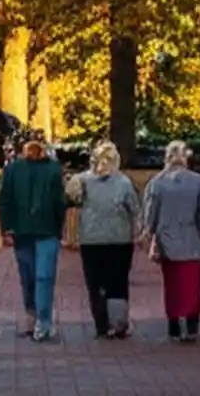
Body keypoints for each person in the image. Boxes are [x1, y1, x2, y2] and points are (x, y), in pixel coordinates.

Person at [66, 141, 139, 339]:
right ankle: (119, 323)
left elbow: (71, 199)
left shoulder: (82, 181)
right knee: (118, 282)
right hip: (120, 239)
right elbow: (134, 209)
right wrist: (138, 232)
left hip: (91, 239)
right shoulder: (124, 182)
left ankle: (101, 324)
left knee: (95, 283)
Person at [0, 141, 67, 342]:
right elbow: (59, 202)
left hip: (24, 231)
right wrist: (58, 229)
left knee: (31, 276)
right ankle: (40, 321)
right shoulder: (53, 169)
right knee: (42, 277)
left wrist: (7, 229)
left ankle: (38, 320)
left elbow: (5, 200)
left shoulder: (13, 169)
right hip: (44, 230)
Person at [145, 140, 200, 343]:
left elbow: (151, 215)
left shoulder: (157, 182)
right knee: (192, 285)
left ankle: (173, 324)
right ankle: (191, 324)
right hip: (193, 241)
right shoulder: (199, 181)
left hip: (167, 242)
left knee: (172, 285)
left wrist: (150, 234)